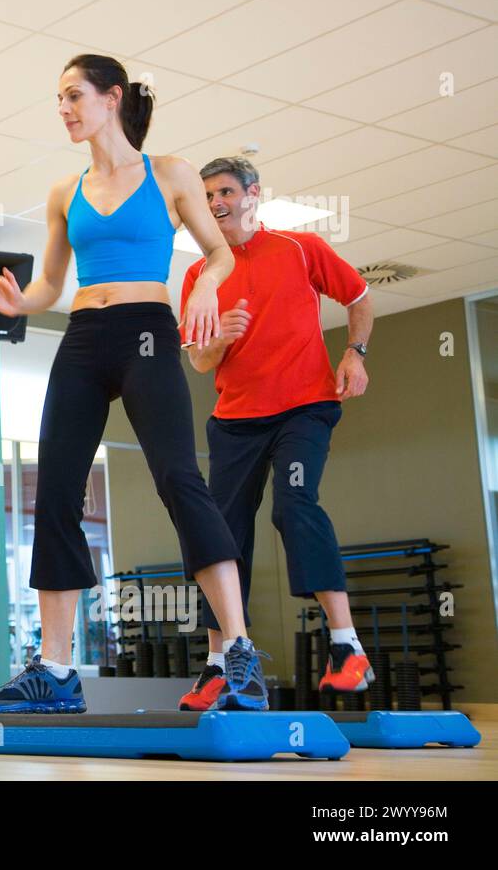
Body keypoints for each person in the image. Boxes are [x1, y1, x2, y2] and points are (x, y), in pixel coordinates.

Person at [0, 54, 269, 713]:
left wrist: (205, 294)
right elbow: (53, 283)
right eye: (58, 99)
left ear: (111, 99)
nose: (65, 109)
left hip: (147, 331)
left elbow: (218, 250)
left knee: (177, 478)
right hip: (84, 337)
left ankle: (240, 652)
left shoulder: (169, 174)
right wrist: (20, 303)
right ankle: (54, 670)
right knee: (54, 488)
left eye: (74, 96)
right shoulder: (63, 191)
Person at [177, 156, 374, 710]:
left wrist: (354, 355)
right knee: (218, 535)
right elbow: (198, 361)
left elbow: (359, 298)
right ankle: (220, 663)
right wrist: (222, 340)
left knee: (293, 504)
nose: (215, 203)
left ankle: (345, 645)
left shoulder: (299, 249)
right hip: (235, 421)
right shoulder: (199, 276)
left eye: (224, 192)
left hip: (302, 409)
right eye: (207, 195)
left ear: (252, 194)